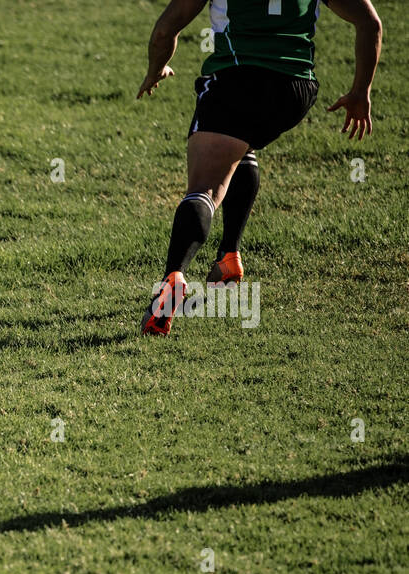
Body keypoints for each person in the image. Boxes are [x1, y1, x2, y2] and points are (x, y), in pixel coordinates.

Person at [137, 0, 382, 335]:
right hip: (294, 90)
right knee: (241, 145)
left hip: (236, 81)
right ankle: (229, 257)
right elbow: (370, 23)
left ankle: (172, 280)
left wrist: (155, 69)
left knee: (204, 189)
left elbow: (166, 28)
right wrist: (360, 92)